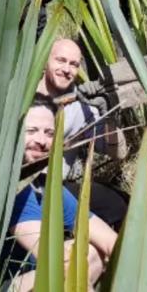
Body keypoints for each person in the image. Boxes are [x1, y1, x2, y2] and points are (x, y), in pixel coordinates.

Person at [3, 98, 119, 291]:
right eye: (31, 131)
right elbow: (57, 263)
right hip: (0, 285)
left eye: (49, 133)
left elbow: (111, 242)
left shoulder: (45, 186)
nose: (41, 141)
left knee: (91, 250)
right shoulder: (10, 190)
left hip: (32, 276)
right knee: (68, 268)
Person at [34, 39, 129, 229]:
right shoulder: (22, 95)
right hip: (21, 186)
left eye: (73, 64)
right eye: (60, 60)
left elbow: (119, 153)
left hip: (57, 188)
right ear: (45, 60)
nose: (66, 69)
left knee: (119, 205)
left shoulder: (82, 106)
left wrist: (108, 115)